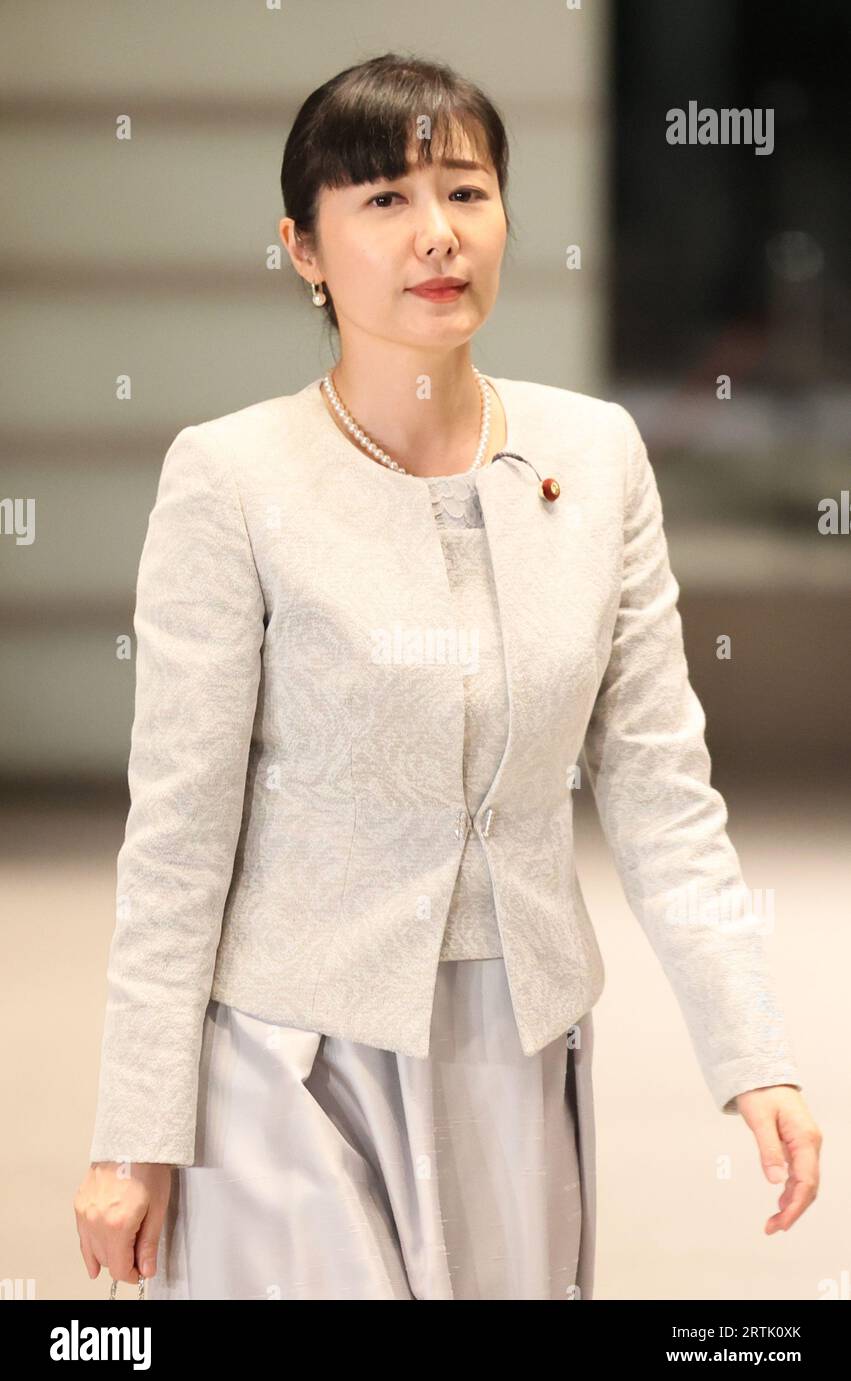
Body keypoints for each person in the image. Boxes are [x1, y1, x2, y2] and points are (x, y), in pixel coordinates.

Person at [74, 52, 821, 1301]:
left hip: (514, 1053)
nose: (436, 235)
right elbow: (178, 834)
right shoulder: (233, 477)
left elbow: (656, 790)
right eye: (381, 200)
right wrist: (132, 1131)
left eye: (464, 192)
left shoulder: (593, 453)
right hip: (290, 1059)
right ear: (302, 249)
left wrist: (752, 1053)